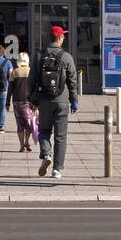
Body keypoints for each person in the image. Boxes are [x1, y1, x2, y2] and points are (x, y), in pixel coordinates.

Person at [33, 25, 79, 178]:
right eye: (63, 36)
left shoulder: (39, 55)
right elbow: (72, 81)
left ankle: (46, 154)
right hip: (62, 100)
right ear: (59, 38)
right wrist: (74, 101)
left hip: (44, 99)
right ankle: (57, 169)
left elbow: (32, 78)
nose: (64, 38)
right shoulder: (66, 57)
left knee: (44, 130)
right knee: (61, 135)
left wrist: (32, 99)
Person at [7, 52, 39, 151]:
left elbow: (10, 88)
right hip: (30, 101)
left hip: (17, 101)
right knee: (30, 122)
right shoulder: (31, 71)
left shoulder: (14, 72)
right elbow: (36, 87)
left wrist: (7, 102)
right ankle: (26, 141)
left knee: (20, 124)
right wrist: (37, 102)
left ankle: (22, 145)